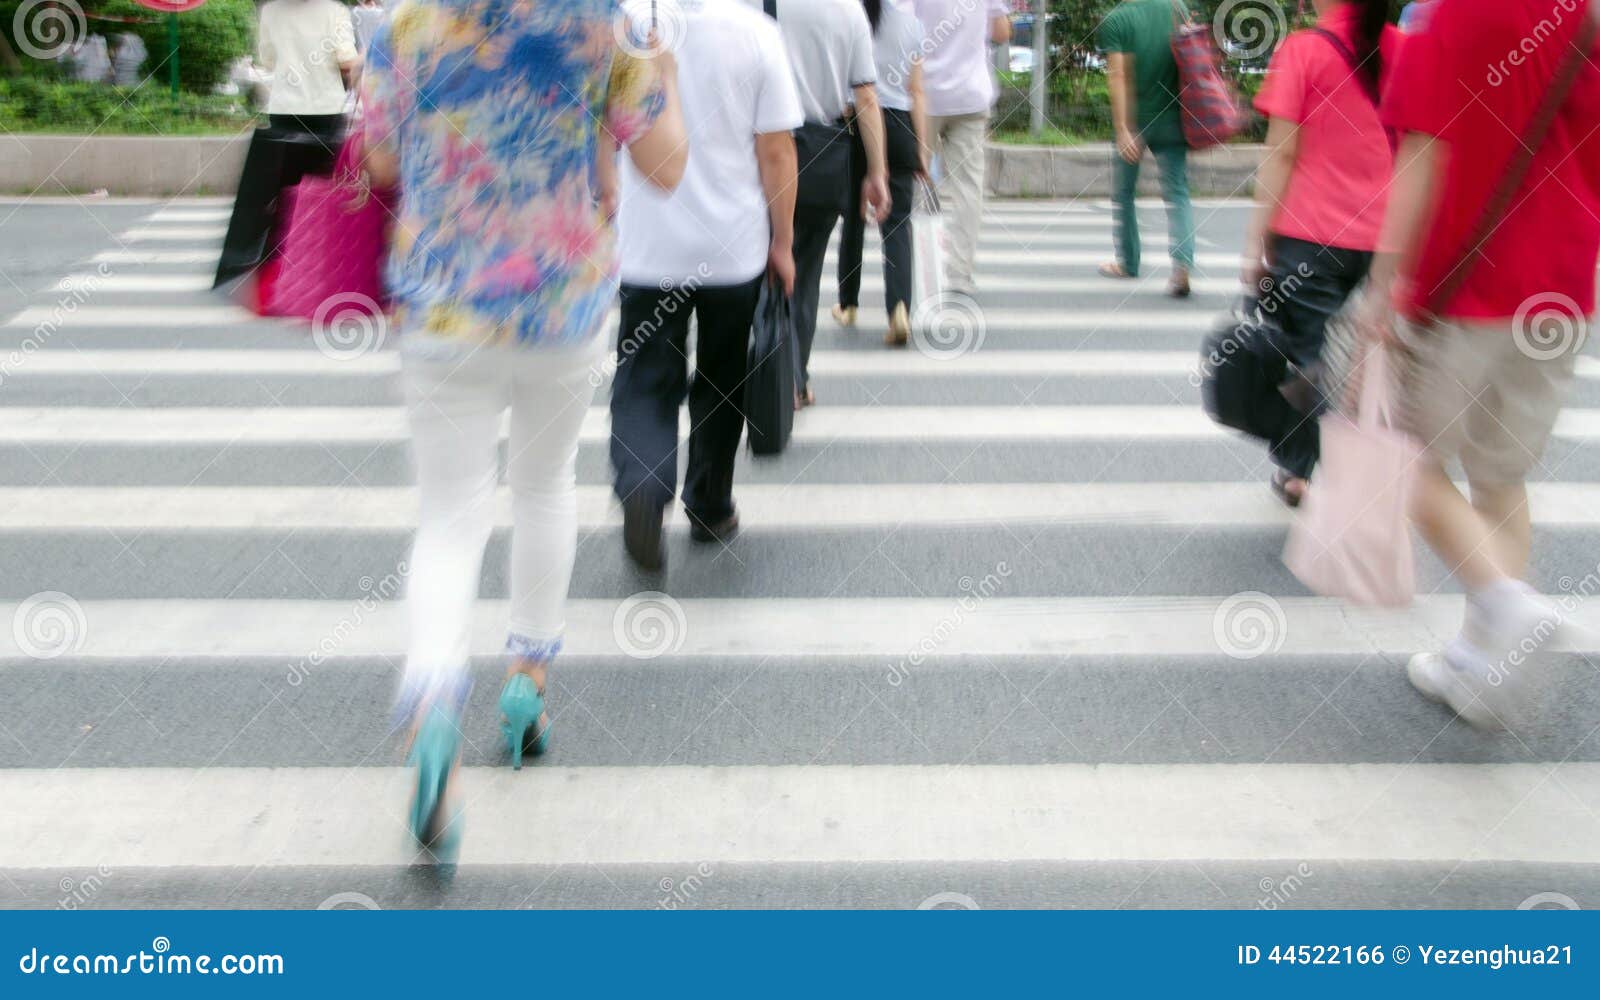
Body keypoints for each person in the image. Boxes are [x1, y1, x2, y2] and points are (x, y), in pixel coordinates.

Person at [360, 1, 686, 853]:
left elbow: (382, 159)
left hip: (443, 314)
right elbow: (666, 167)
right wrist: (668, 85)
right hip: (561, 307)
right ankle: (527, 687)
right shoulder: (603, 24)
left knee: (449, 519)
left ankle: (433, 698)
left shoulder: (402, 25)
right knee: (543, 491)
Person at [1364, 0, 1599, 729]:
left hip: (1461, 283)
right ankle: (1481, 664)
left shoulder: (1446, 12)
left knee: (1406, 461)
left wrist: (1383, 286)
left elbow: (1424, 150)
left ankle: (1507, 606)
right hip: (1561, 287)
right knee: (1500, 474)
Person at [610, 0, 802, 570]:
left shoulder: (627, 25)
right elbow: (776, 150)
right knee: (722, 383)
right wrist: (783, 243)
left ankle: (644, 487)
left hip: (648, 249)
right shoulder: (758, 33)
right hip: (731, 251)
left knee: (645, 377)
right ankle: (710, 505)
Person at [1235, 0, 1399, 506]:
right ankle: (1347, 461)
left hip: (1311, 235)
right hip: (1385, 236)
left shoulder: (1304, 50)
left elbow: (1282, 152)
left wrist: (1256, 239)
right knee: (1372, 359)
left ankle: (1303, 470)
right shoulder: (1405, 50)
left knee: (1306, 358)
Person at [759, 0, 892, 407]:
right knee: (806, 270)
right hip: (821, 155)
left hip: (761, 153)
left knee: (758, 265)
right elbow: (866, 97)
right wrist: (877, 172)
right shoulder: (848, 9)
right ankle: (795, 380)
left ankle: (758, 371)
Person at [832, 0, 929, 346]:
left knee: (853, 218)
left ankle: (849, 304)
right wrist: (921, 149)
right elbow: (916, 91)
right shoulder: (911, 25)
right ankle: (899, 309)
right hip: (901, 126)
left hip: (855, 125)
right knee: (899, 222)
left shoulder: (844, 19)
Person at [1097, 0, 1195, 298]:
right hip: (1175, 119)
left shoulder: (1118, 19)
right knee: (1177, 191)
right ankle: (1182, 266)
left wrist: (1124, 129)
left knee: (1125, 193)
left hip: (1137, 121)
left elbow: (1118, 75)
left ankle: (1128, 262)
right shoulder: (1177, 8)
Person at [913, 0, 1010, 298]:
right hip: (970, 96)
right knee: (968, 188)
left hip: (923, 95)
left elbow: (898, 23)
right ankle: (959, 273)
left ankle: (917, 266)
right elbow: (1002, 31)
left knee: (915, 180)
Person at [256, 0, 359, 146]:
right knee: (322, 167)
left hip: (283, 107)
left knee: (282, 166)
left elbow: (268, 61)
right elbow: (346, 61)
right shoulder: (335, 10)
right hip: (327, 108)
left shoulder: (269, 10)